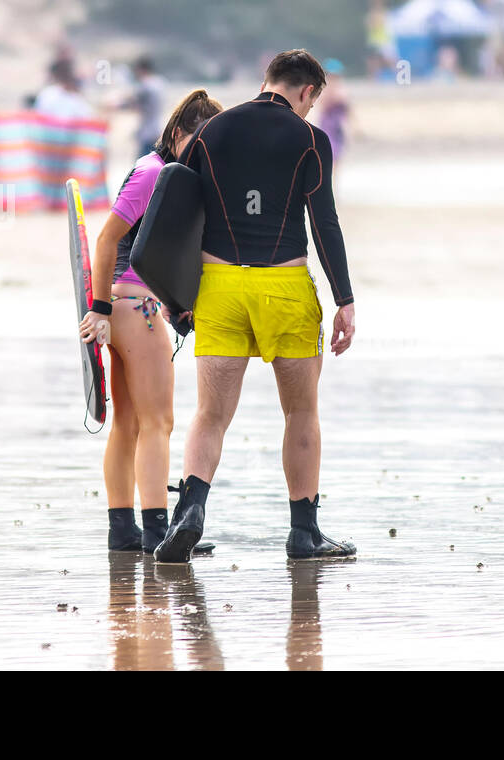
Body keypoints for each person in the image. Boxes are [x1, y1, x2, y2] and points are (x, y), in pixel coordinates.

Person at [154, 49, 357, 563]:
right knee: (301, 412)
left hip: (220, 287)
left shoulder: (210, 132)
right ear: (307, 92)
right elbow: (324, 223)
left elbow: (180, 214)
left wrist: (178, 295)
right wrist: (344, 300)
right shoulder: (311, 139)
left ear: (267, 80)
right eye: (312, 101)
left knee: (210, 415)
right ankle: (304, 533)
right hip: (284, 288)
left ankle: (190, 511)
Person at [78, 90, 224, 553]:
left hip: (130, 307)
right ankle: (159, 532)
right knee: (159, 422)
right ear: (178, 133)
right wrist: (99, 309)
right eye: (199, 143)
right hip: (133, 310)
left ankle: (124, 530)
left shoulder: (158, 172)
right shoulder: (153, 173)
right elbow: (106, 239)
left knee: (129, 424)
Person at [123, 55, 165, 158]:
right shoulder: (160, 83)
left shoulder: (146, 85)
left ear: (141, 69)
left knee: (141, 165)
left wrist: (111, 105)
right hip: (158, 131)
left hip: (147, 134)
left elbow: (130, 102)